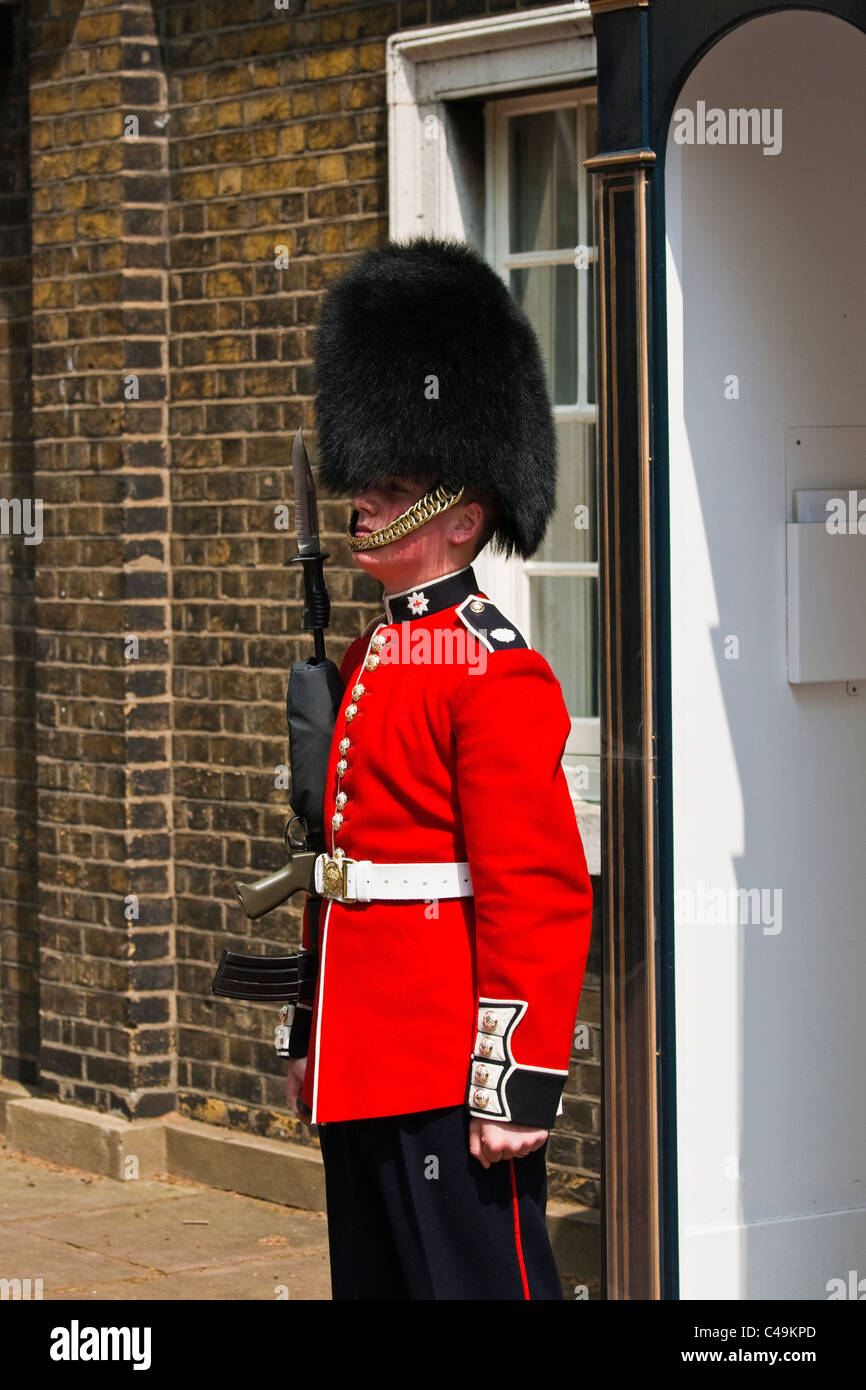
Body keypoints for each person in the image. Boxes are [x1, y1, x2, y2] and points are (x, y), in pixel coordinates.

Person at [284, 236, 593, 1300]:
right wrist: (307, 1030)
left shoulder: (493, 673)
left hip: (443, 1065)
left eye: (393, 483)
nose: (362, 500)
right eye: (366, 478)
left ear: (458, 516)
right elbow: (339, 866)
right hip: (359, 1054)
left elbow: (535, 892)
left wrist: (510, 1082)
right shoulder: (377, 653)